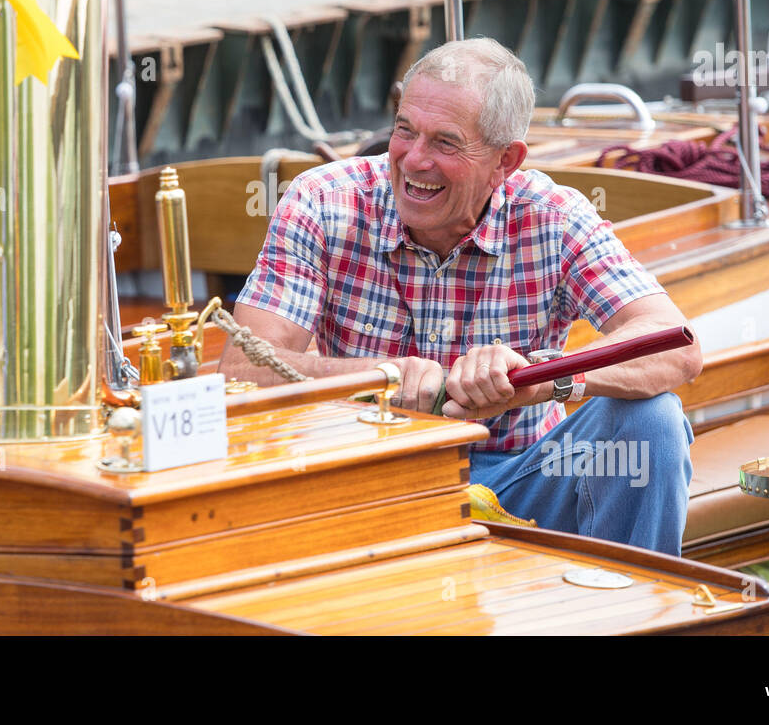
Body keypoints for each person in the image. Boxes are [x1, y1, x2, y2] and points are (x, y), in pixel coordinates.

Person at [219, 37, 702, 558]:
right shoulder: (320, 200)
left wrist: (540, 379)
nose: (413, 160)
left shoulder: (555, 216)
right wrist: (381, 378)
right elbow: (242, 372)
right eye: (405, 131)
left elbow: (675, 346)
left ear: (505, 161)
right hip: (363, 479)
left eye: (446, 144)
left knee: (651, 422)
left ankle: (630, 611)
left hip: (518, 484)